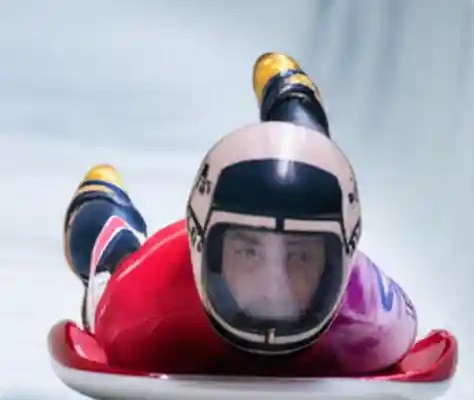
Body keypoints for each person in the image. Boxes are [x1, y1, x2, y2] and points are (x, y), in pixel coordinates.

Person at [62, 53, 418, 375]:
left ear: (339, 263)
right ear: (203, 246)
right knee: (108, 256)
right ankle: (103, 196)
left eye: (300, 256)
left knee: (316, 162)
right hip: (168, 273)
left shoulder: (371, 316)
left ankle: (293, 95)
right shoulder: (135, 314)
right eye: (249, 251)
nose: (273, 287)